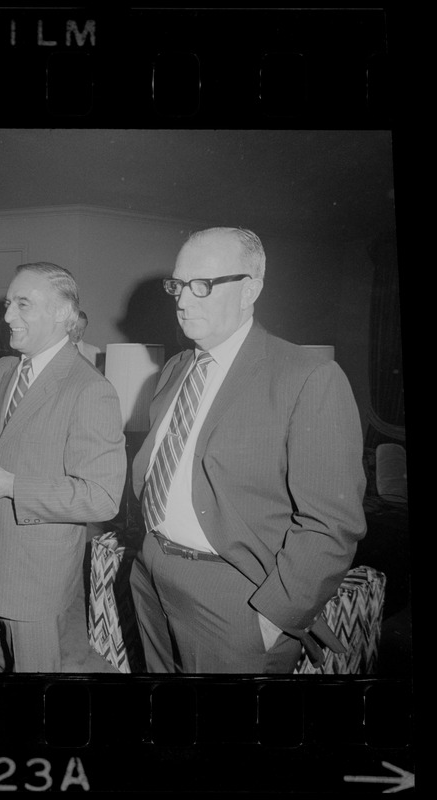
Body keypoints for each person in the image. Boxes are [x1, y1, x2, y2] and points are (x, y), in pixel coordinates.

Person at [129, 227, 366, 673]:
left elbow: (332, 523)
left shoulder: (308, 377)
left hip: (234, 598)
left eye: (202, 285)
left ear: (250, 290)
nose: (182, 299)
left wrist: (276, 614)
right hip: (152, 573)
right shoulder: (176, 368)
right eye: (177, 285)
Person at [0, 262, 126, 672]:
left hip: (33, 565)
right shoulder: (3, 370)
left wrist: (11, 486)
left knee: (34, 668)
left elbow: (103, 498)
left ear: (62, 312)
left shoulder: (91, 390)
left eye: (22, 304)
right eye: (7, 304)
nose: (5, 317)